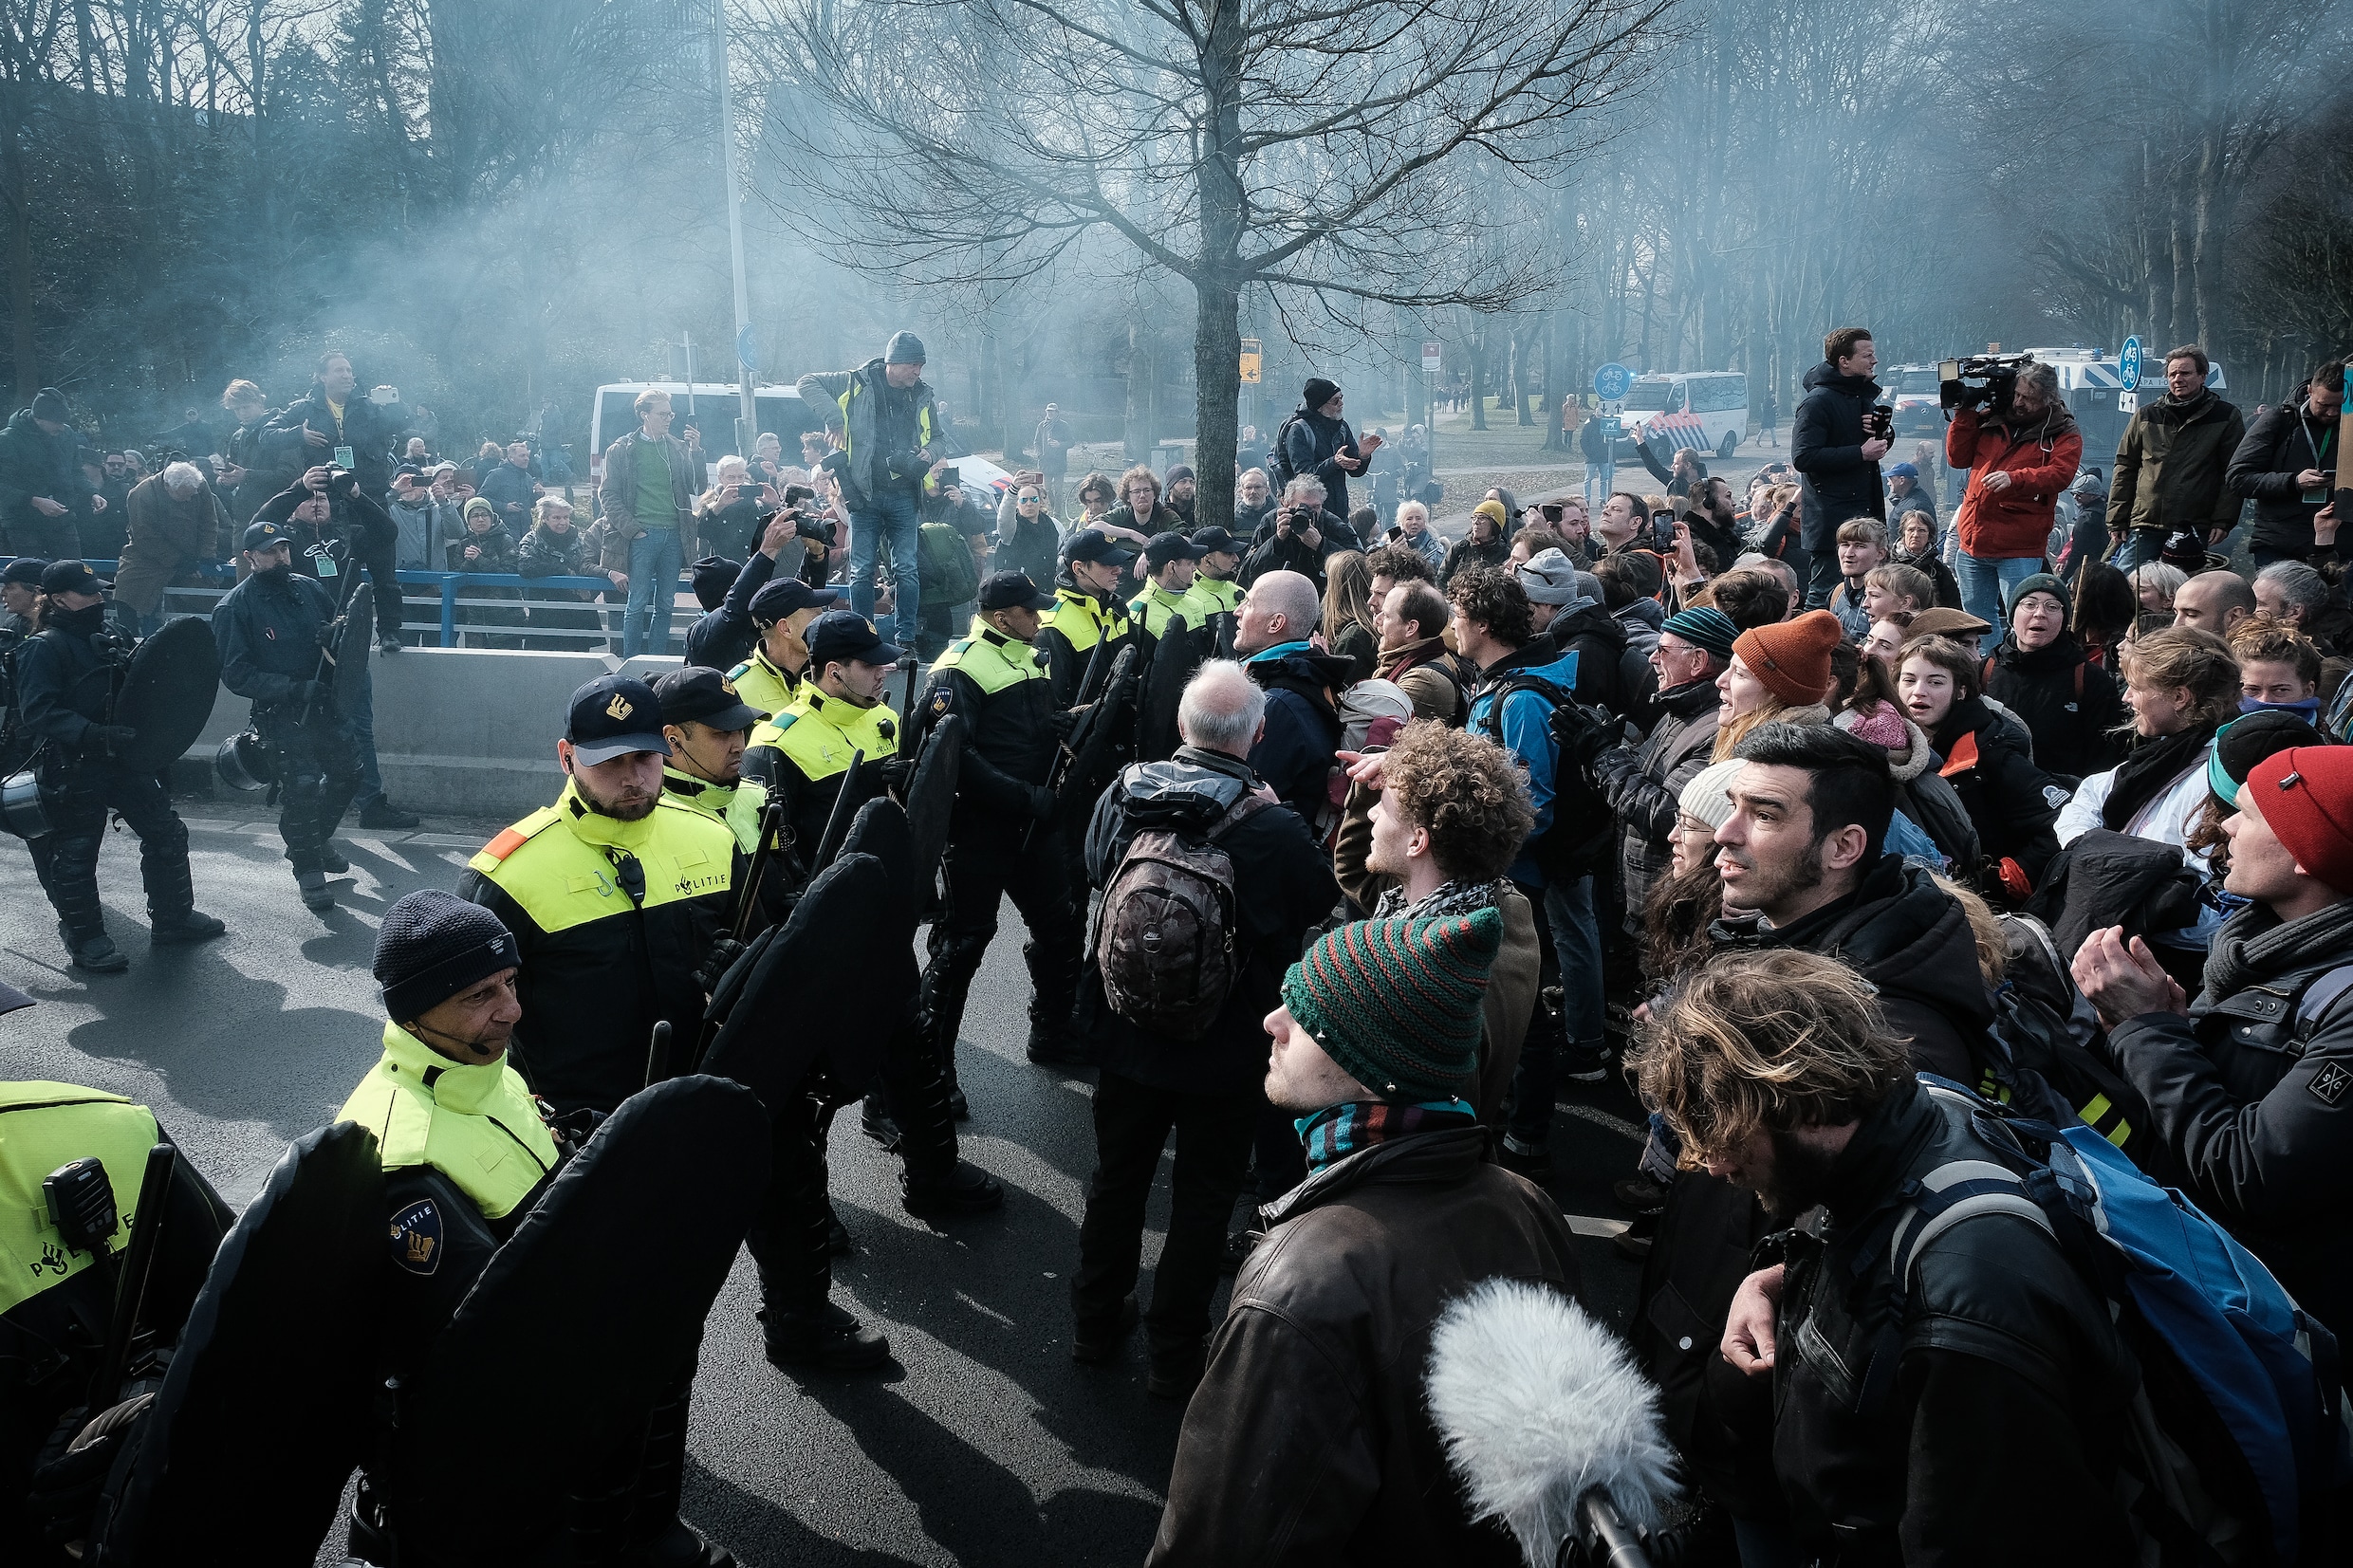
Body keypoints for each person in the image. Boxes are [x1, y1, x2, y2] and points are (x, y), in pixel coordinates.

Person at [1635, 950, 2135, 1565]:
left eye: (1723, 1127)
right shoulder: (1911, 1118)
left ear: (1804, 1099)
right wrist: (1780, 1278)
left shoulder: (1968, 1293)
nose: (1713, 1163)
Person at [1147, 907, 1581, 1563]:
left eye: (1307, 1014)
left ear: (1374, 1064)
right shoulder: (1528, 1203)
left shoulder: (1304, 1284)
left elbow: (1220, 1542)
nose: (1274, 1020)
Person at [335, 890, 737, 1566]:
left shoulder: (482, 1065)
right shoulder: (403, 1155)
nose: (512, 1009)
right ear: (413, 1008)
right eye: (478, 994)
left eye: (512, 981)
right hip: (497, 1432)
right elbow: (484, 1345)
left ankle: (636, 1534)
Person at [1074, 661, 1340, 1398]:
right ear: (1257, 734)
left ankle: (1094, 1320)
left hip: (1125, 1027)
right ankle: (1173, 1350)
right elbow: (1316, 898)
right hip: (1226, 1045)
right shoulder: (1272, 823)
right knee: (1202, 1196)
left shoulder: (1124, 793)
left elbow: (1094, 870)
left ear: (1181, 728)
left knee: (1117, 1178)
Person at [2076, 743, 2353, 1340]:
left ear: (2308, 851)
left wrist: (2146, 1030)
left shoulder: (2342, 997)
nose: (2223, 824)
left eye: (2249, 814)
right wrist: (2150, 1029)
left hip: (2275, 1320)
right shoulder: (2259, 945)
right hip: (2199, 1276)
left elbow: (2251, 1173)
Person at [457, 674, 733, 1118]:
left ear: (667, 746)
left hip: (702, 1101)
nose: (633, 779)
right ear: (567, 758)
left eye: (645, 757)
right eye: (608, 762)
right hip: (579, 1129)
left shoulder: (715, 839)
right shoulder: (506, 876)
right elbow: (461, 1025)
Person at [1711, 722, 1992, 1074]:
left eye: (1764, 815)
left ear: (1843, 847)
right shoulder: (1779, 932)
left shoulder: (1883, 1035)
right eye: (1733, 806)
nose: (1724, 833)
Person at [1452, 565, 1608, 1179]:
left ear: (1485, 624)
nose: (1453, 629)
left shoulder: (1519, 698)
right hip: (1510, 869)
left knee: (1518, 1003)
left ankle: (1526, 1129)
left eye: (1461, 618)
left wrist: (1481, 854)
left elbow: (1531, 804)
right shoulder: (1512, 683)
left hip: (1516, 873)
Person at [12, 560, 224, 970]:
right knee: (76, 852)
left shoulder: (112, 633)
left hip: (126, 758)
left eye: (99, 590)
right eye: (87, 592)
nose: (98, 597)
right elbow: (38, 711)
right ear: (58, 599)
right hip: (75, 764)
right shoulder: (44, 646)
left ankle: (173, 919)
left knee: (166, 833)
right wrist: (90, 732)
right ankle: (87, 939)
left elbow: (148, 684)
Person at [918, 571, 1088, 1079]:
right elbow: (956, 758)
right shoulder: (959, 668)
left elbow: (1025, 729)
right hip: (981, 829)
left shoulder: (1025, 652)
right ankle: (932, 1070)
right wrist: (1026, 798)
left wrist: (1064, 720)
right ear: (1000, 617)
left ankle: (1052, 1032)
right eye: (1029, 611)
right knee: (962, 946)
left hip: (1033, 827)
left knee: (1060, 928)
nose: (1039, 618)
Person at [213, 520, 365, 912]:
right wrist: (291, 688)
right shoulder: (234, 607)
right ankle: (309, 871)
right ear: (250, 557)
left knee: (350, 773)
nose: (280, 556)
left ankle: (314, 841)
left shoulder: (308, 587)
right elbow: (236, 673)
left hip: (324, 704)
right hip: (281, 714)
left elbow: (345, 633)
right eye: (270, 551)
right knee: (301, 788)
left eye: (283, 548)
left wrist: (335, 635)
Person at [739, 612, 905, 899]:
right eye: (869, 665)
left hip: (889, 890)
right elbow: (764, 844)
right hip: (826, 904)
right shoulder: (776, 741)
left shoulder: (885, 716)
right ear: (834, 672)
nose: (883, 672)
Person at [1591, 604, 1736, 921]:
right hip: (1647, 891)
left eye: (1662, 650)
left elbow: (1668, 814)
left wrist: (1604, 757)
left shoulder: (1714, 729)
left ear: (1698, 660)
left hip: (1669, 900)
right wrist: (1610, 747)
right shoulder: (1678, 709)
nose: (1652, 659)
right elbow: (1647, 779)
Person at [1895, 634, 2066, 892]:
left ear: (1961, 691)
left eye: (1936, 682)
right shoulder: (1890, 744)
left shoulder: (1992, 752)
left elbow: (2062, 824)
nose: (1919, 691)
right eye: (1909, 680)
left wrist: (2001, 880)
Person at [799, 335, 942, 638]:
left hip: (905, 495)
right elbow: (806, 381)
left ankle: (906, 637)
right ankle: (863, 637)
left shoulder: (922, 394)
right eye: (913, 365)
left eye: (921, 366)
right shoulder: (855, 381)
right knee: (861, 570)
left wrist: (929, 454)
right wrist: (833, 417)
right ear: (893, 361)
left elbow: (939, 439)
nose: (918, 371)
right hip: (864, 495)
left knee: (906, 570)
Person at [262, 353, 409, 648]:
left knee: (384, 568)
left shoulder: (370, 405)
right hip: (326, 500)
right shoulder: (304, 407)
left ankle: (390, 632)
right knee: (328, 567)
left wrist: (393, 401)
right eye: (339, 370)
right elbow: (266, 434)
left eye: (350, 370)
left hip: (369, 497)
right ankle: (327, 627)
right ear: (322, 376)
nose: (347, 375)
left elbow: (403, 424)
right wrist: (297, 434)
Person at [1945, 359, 2082, 625]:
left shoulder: (2063, 431)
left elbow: (2061, 474)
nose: (2019, 402)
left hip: (2019, 545)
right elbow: (1957, 458)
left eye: (2029, 398)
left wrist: (2015, 479)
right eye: (2017, 394)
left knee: (2021, 618)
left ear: (2049, 399)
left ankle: (2013, 665)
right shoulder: (1992, 418)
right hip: (1973, 539)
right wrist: (1965, 414)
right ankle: (1988, 665)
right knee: (1976, 620)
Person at [1983, 572, 2128, 783]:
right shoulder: (1985, 669)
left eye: (2052, 607)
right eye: (2029, 604)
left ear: (2064, 619)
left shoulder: (2088, 678)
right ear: (2013, 613)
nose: (2039, 613)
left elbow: (2106, 757)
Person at [2110, 345, 2247, 569]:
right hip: (2146, 521)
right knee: (2129, 586)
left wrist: (2224, 520)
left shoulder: (2225, 417)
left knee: (2184, 591)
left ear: (2203, 376)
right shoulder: (2146, 414)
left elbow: (2231, 472)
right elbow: (2126, 466)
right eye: (2172, 374)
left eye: (2185, 373)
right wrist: (2117, 518)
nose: (2177, 379)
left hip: (2194, 524)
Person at [595, 388, 706, 658]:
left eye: (670, 413)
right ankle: (631, 661)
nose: (668, 418)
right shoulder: (621, 449)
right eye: (662, 414)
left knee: (666, 604)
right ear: (644, 415)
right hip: (642, 535)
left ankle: (656, 660)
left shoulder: (678, 447)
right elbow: (607, 493)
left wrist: (697, 450)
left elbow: (698, 487)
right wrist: (632, 530)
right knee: (636, 603)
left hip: (675, 534)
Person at [1233, 569, 1348, 826]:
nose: (1237, 611)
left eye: (1249, 603)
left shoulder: (1276, 706)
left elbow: (1247, 802)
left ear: (1275, 623)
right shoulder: (1308, 674)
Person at [1790, 327, 1890, 610]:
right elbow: (1804, 457)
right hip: (1832, 524)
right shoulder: (1817, 402)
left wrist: (1884, 433)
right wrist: (1859, 453)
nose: (1875, 361)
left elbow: (1873, 445)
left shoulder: (1860, 396)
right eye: (1867, 355)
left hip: (1864, 514)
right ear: (1843, 361)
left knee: (1866, 598)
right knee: (1823, 597)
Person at [687, 507, 835, 673]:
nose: (756, 593)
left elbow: (797, 602)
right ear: (729, 595)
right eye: (743, 585)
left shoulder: (752, 622)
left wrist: (816, 554)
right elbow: (735, 613)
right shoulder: (700, 636)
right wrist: (768, 549)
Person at [2226, 359, 2343, 568]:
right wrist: (2293, 482)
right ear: (2310, 391)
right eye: (2324, 405)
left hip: (2340, 544)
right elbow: (2238, 477)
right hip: (2279, 542)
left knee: (2335, 601)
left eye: (2339, 405)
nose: (2332, 413)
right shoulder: (2280, 419)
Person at [649, 665, 769, 852]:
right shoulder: (647, 820)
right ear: (672, 739)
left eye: (741, 731)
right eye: (723, 733)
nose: (740, 746)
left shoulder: (760, 798)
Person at [111, 460, 226, 635]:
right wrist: (178, 560)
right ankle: (129, 641)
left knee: (206, 598)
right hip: (146, 556)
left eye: (192, 494)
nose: (189, 498)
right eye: (184, 495)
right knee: (125, 589)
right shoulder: (142, 494)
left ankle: (208, 640)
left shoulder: (199, 486)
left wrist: (206, 554)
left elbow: (209, 521)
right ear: (167, 486)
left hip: (192, 551)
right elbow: (145, 536)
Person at [1035, 526, 1137, 706]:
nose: (1118, 570)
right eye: (1107, 563)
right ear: (1078, 569)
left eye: (1118, 562)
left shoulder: (1117, 608)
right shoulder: (1053, 623)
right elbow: (1055, 700)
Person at [0, 388, 104, 559]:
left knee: (72, 572)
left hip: (63, 519)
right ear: (38, 418)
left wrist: (91, 492)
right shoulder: (7, 440)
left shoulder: (67, 434)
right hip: (23, 523)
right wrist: (35, 501)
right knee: (33, 577)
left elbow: (75, 471)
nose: (62, 428)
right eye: (57, 422)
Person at [1276, 376, 1377, 521]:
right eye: (1335, 401)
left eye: (1341, 397)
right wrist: (1334, 462)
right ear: (1320, 406)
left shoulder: (1342, 427)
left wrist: (1363, 456)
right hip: (1309, 515)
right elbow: (1303, 476)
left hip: (1340, 513)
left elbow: (1355, 471)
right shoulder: (1298, 431)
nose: (1341, 404)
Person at [514, 493, 602, 651]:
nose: (562, 522)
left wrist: (590, 593)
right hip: (545, 614)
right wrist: (563, 570)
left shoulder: (581, 540)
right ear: (544, 518)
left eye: (566, 517)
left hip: (578, 616)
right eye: (556, 518)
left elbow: (593, 567)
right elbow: (524, 565)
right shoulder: (532, 540)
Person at [1370, 577, 1461, 723]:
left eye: (1386, 616)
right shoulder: (1413, 658)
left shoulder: (1422, 680)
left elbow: (1367, 723)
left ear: (1411, 628)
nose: (1377, 620)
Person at [1239, 475, 1346, 588]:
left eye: (1315, 507)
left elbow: (1354, 565)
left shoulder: (1333, 525)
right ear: (1286, 504)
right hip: (1278, 594)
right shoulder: (1271, 522)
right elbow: (1251, 571)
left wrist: (1321, 546)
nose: (1309, 513)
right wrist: (1277, 541)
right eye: (1303, 507)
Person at [1129, 529, 1206, 652]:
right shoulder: (1138, 616)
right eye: (1189, 563)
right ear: (1171, 567)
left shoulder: (1196, 604)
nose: (1194, 568)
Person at [1180, 525, 1245, 654]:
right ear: (1207, 559)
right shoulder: (1185, 597)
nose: (1236, 559)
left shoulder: (1240, 592)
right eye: (1228, 553)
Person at [1826, 516, 1892, 640]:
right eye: (1845, 545)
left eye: (1859, 546)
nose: (1848, 553)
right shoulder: (1838, 593)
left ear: (1880, 553)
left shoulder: (1891, 598)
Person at [1320, 549, 1378, 682]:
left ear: (1336, 588)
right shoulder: (1370, 624)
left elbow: (1342, 694)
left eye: (1327, 579)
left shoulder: (1353, 638)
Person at [997, 479, 1062, 590]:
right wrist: (1012, 490)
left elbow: (1060, 553)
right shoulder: (1012, 529)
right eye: (1023, 500)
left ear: (1040, 502)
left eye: (1034, 499)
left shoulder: (1052, 524)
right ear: (1017, 504)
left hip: (1049, 592)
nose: (1029, 504)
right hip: (1020, 593)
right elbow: (1004, 519)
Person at [1891, 507, 1962, 608]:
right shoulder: (1889, 565)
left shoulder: (1938, 570)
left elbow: (1953, 604)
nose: (1915, 535)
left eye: (1921, 530)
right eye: (1911, 530)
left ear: (1929, 535)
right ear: (1903, 533)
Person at [1439, 499, 1512, 590]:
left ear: (1495, 524)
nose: (1476, 522)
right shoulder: (1459, 548)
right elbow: (1441, 580)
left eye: (1482, 518)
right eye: (1474, 517)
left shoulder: (1505, 554)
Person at [2171, 567, 2256, 638]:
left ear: (2235, 617)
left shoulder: (2260, 657)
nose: (2175, 626)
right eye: (2176, 613)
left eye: (2191, 615)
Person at [1389, 497, 1447, 572]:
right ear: (1402, 523)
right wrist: (1391, 552)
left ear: (1424, 522)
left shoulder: (1435, 548)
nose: (1414, 522)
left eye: (1418, 518)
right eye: (1409, 519)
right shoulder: (1391, 543)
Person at [1034, 401, 1073, 506]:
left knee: (1058, 491)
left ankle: (1057, 513)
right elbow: (1036, 442)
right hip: (1045, 462)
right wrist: (1039, 455)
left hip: (1059, 462)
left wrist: (1060, 444)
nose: (1050, 414)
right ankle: (1053, 505)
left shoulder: (1064, 426)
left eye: (1052, 412)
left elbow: (1071, 442)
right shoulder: (1041, 426)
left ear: (1057, 412)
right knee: (1047, 490)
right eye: (1048, 411)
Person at [1883, 460, 1937, 533]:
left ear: (1902, 480)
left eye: (1891, 479)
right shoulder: (1906, 499)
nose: (1888, 483)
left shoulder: (1917, 505)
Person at [1232, 467, 1275, 538]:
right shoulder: (1234, 519)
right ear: (1241, 492)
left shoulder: (1275, 518)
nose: (1253, 492)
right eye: (1248, 488)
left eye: (1258, 487)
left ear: (1267, 491)